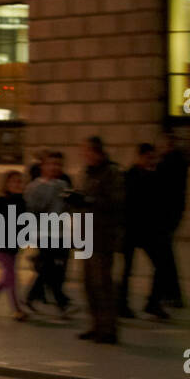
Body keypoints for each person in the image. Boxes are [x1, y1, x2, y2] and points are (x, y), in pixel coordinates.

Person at [72, 136, 124, 344]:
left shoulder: (112, 173)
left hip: (102, 236)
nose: (85, 156)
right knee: (88, 284)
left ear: (97, 152)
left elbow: (117, 202)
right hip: (85, 235)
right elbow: (83, 198)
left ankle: (108, 328)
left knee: (102, 283)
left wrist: (90, 201)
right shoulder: (86, 173)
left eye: (87, 152)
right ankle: (95, 324)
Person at [120, 144, 171, 320]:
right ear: (139, 157)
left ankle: (153, 303)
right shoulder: (130, 176)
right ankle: (122, 304)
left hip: (149, 231)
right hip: (132, 229)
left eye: (153, 158)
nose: (152, 161)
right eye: (149, 157)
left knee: (162, 266)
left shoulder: (154, 176)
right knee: (126, 270)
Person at [23, 151, 73, 314]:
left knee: (54, 267)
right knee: (49, 266)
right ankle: (61, 301)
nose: (54, 168)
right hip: (42, 232)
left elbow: (66, 208)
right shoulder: (34, 187)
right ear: (43, 166)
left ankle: (33, 297)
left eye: (58, 164)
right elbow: (33, 209)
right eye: (51, 164)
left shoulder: (63, 185)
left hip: (60, 232)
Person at [0, 171, 28, 320]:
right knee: (12, 276)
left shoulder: (22, 201)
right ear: (6, 184)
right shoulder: (0, 201)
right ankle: (17, 309)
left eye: (19, 182)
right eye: (13, 182)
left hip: (14, 245)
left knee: (7, 276)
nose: (17, 184)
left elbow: (24, 223)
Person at [155, 132, 187, 307]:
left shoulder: (168, 163)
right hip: (173, 214)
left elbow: (162, 189)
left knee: (165, 256)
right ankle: (171, 293)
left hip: (165, 215)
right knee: (166, 255)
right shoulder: (180, 161)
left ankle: (171, 294)